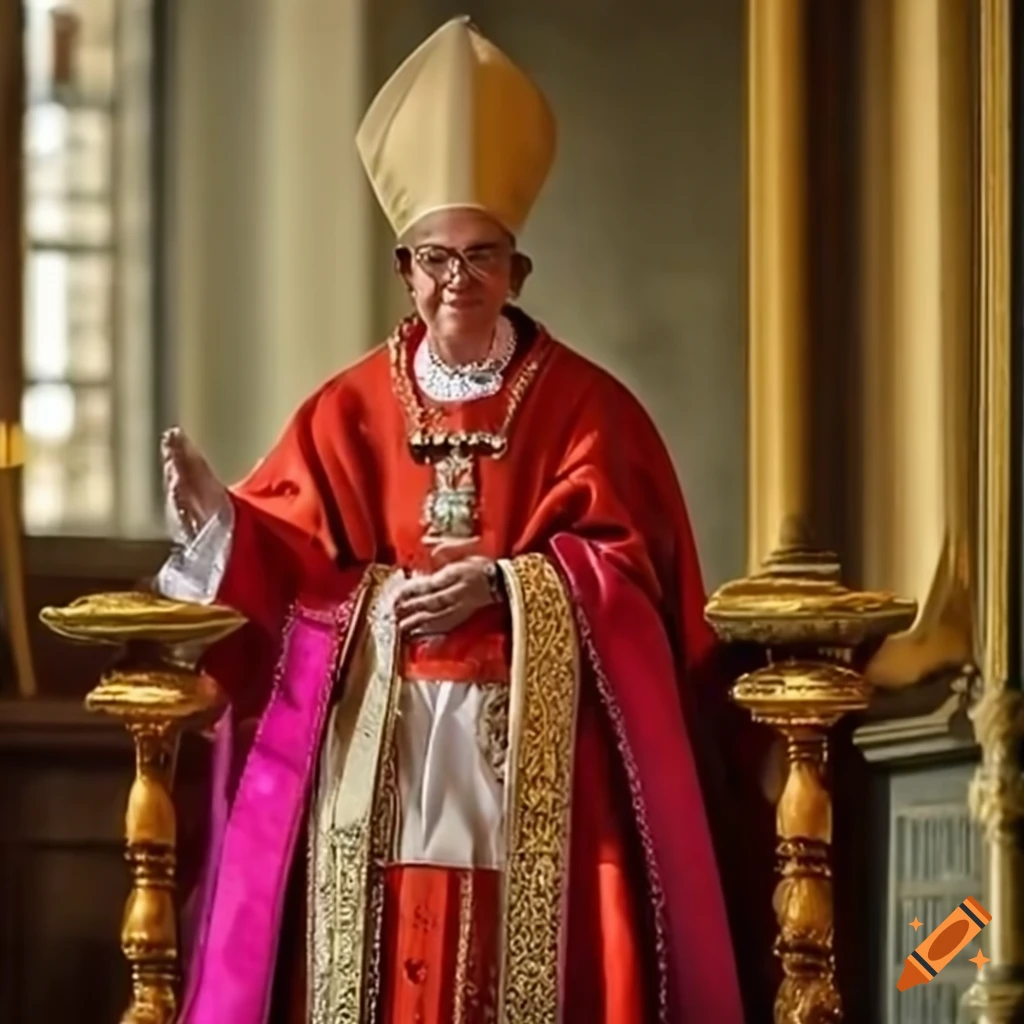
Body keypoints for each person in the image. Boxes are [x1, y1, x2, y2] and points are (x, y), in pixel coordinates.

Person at [159, 16, 771, 1024]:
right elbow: (291, 560)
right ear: (403, 267)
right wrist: (219, 521)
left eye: (482, 256)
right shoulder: (345, 410)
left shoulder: (592, 411)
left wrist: (507, 585)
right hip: (384, 756)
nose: (458, 281)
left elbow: (640, 581)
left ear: (518, 269)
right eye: (437, 259)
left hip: (542, 765)